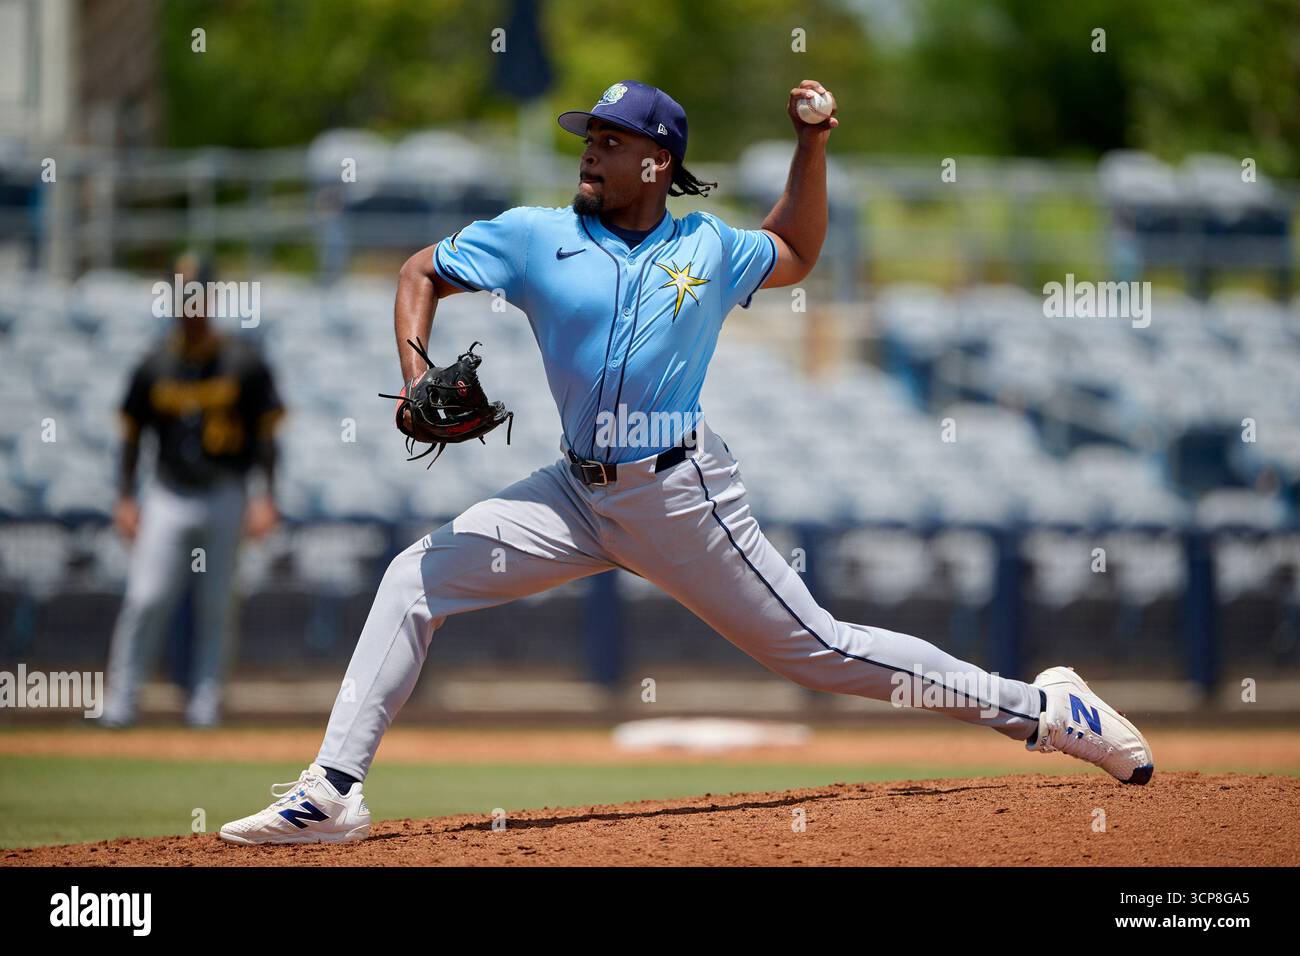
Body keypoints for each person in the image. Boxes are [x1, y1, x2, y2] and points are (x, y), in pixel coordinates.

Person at [219, 80, 1152, 846]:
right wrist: (415, 370)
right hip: (574, 495)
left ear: (657, 162)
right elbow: (418, 270)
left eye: (612, 139)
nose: (590, 149)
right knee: (413, 579)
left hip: (679, 495)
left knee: (824, 654)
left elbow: (795, 249)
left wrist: (811, 145)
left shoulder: (707, 246)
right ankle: (334, 790)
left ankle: (1043, 710)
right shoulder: (531, 233)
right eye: (589, 135)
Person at [101, 252, 284, 729]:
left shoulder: (242, 361)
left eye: (197, 293)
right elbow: (131, 435)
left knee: (217, 603)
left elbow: (266, 437)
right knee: (146, 597)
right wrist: (124, 496)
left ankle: (205, 707)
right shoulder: (154, 363)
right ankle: (121, 704)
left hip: (226, 492)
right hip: (166, 492)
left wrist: (267, 496)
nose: (190, 304)